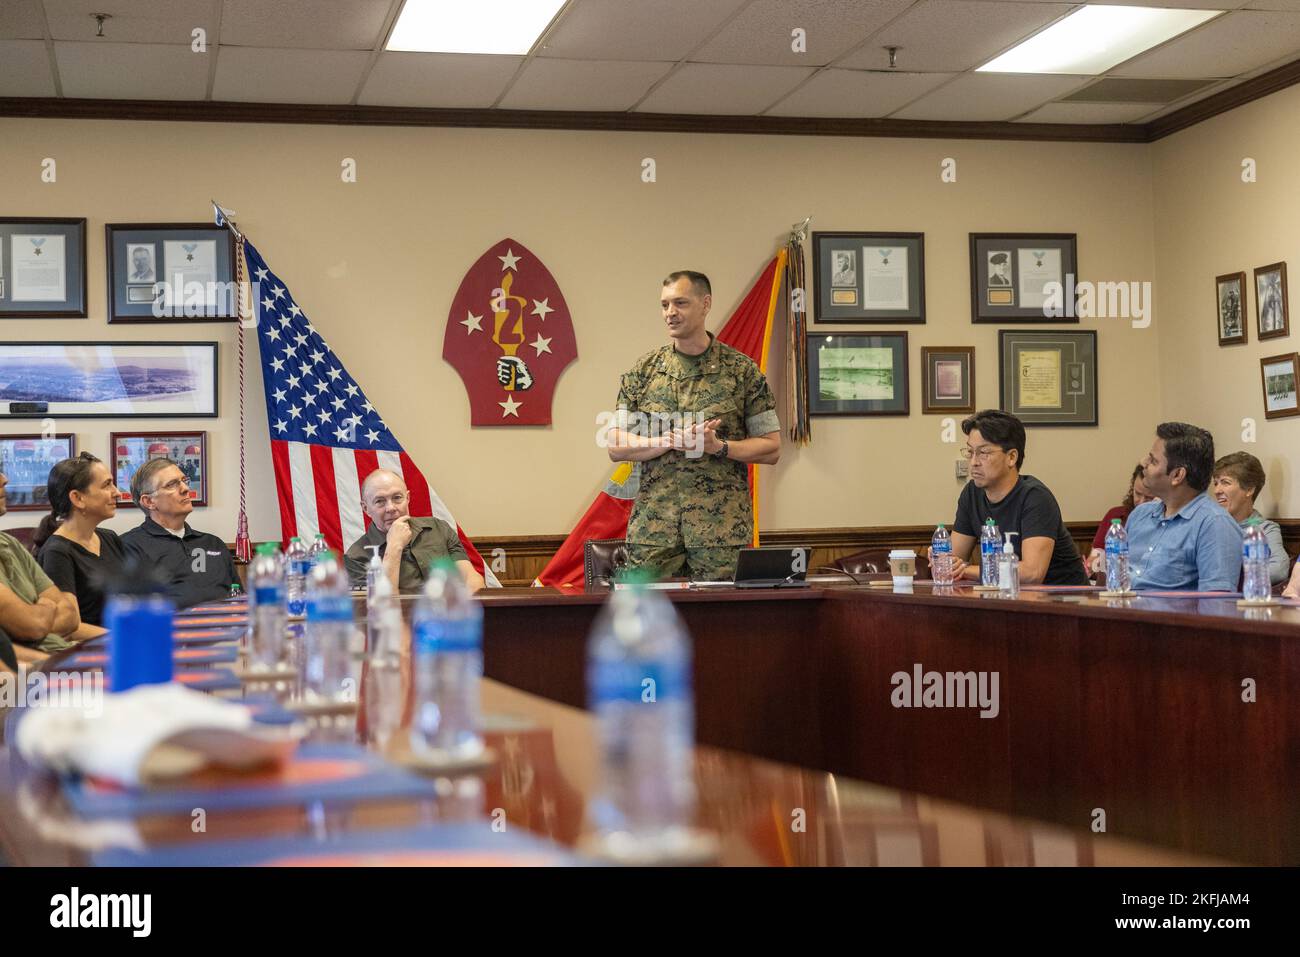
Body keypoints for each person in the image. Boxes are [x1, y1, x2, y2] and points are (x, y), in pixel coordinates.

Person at [606, 270, 780, 581]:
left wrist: (719, 447)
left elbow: (771, 447)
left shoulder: (741, 372)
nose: (670, 313)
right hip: (654, 530)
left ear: (705, 304)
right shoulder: (644, 372)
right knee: (641, 621)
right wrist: (666, 442)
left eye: (680, 303)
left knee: (723, 624)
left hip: (721, 532)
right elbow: (616, 445)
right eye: (664, 305)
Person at [936, 409, 1088, 585]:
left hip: (1063, 601)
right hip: (1009, 598)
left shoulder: (1035, 497)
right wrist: (942, 561)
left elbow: (1032, 573)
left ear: (1012, 457)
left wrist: (965, 569)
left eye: (983, 453)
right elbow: (954, 558)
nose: (974, 462)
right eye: (970, 452)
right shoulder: (972, 493)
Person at [1126, 423, 1241, 592]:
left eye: (1153, 460)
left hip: (1166, 617)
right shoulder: (1139, 515)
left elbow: (1217, 602)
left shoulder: (1215, 525)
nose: (1144, 463)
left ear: (1177, 475)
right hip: (1120, 612)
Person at [121, 458, 239, 608]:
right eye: (172, 484)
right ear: (149, 502)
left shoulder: (213, 543)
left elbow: (239, 597)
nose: (185, 489)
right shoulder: (129, 546)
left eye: (184, 480)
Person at [343, 468, 484, 594]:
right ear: (366, 508)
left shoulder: (438, 528)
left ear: (408, 498)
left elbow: (471, 578)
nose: (391, 508)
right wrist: (394, 547)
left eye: (397, 498)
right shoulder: (356, 557)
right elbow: (382, 608)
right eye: (380, 501)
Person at [34, 452, 129, 628]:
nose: (117, 492)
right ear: (77, 498)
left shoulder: (109, 538)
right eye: (107, 485)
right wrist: (125, 638)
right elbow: (71, 628)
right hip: (94, 649)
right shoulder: (57, 552)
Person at [0, 469, 88, 657]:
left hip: (64, 657)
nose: (4, 479)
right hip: (40, 671)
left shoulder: (10, 543)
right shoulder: (56, 549)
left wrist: (34, 621)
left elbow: (70, 616)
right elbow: (32, 626)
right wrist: (46, 606)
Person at [1211, 451, 1288, 586]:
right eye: (1216, 483)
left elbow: (1279, 569)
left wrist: (1232, 579)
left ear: (1249, 489)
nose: (1217, 491)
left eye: (1225, 482)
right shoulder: (1208, 524)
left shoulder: (1265, 528)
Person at [1086, 464, 1156, 575]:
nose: (1141, 502)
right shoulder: (1116, 515)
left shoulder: (1166, 522)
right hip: (1112, 583)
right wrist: (1091, 565)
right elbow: (1096, 556)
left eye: (1149, 498)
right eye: (1137, 493)